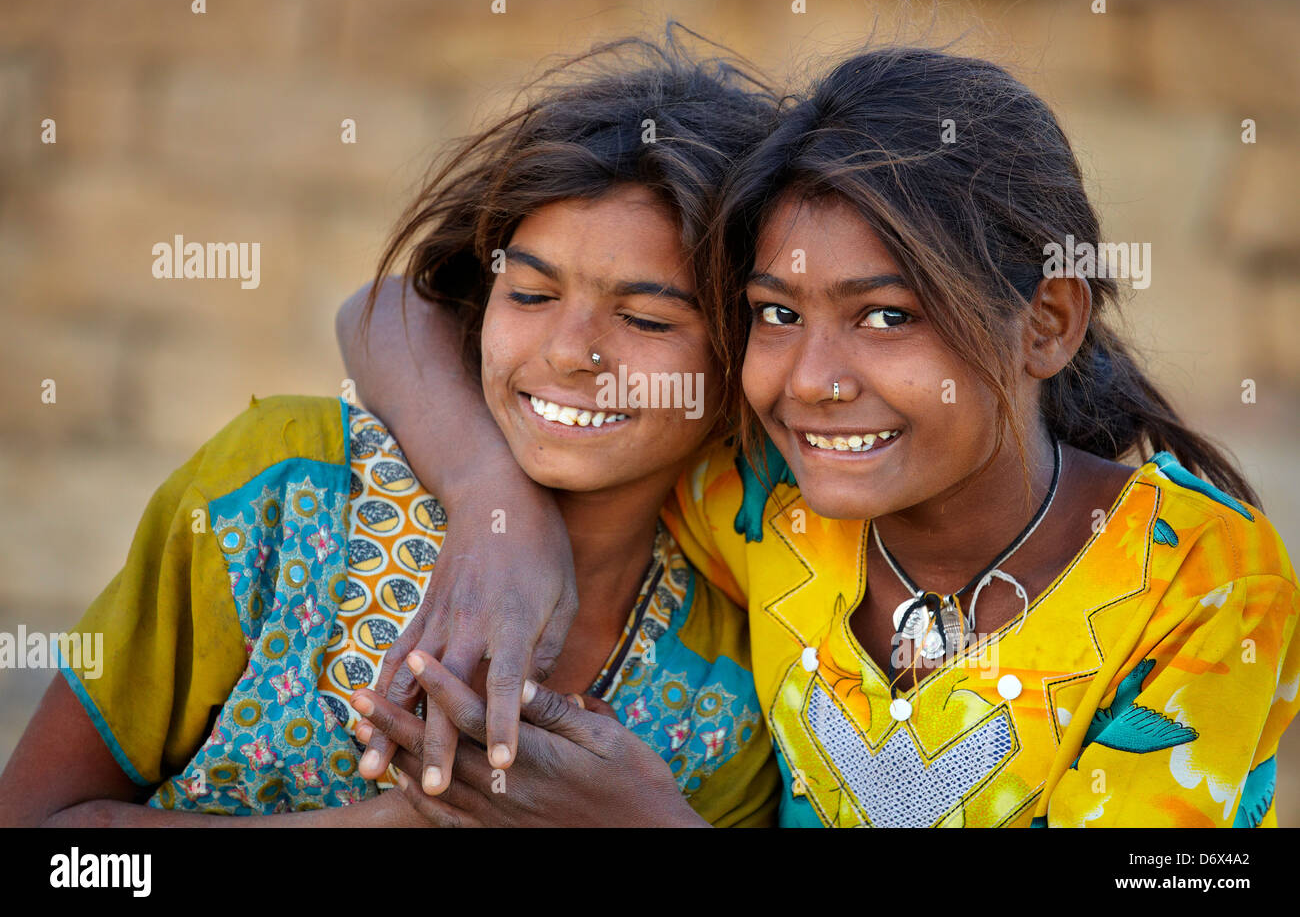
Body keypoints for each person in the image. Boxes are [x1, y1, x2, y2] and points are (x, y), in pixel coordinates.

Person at [344, 46, 1300, 827]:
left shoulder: (1203, 582)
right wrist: (493, 502)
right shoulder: (766, 502)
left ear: (1045, 322)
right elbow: (386, 310)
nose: (811, 382)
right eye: (776, 313)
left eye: (886, 317)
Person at [0, 31, 780, 827]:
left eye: (646, 320)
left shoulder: (722, 693)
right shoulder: (284, 495)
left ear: (744, 360)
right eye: (531, 296)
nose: (569, 352)